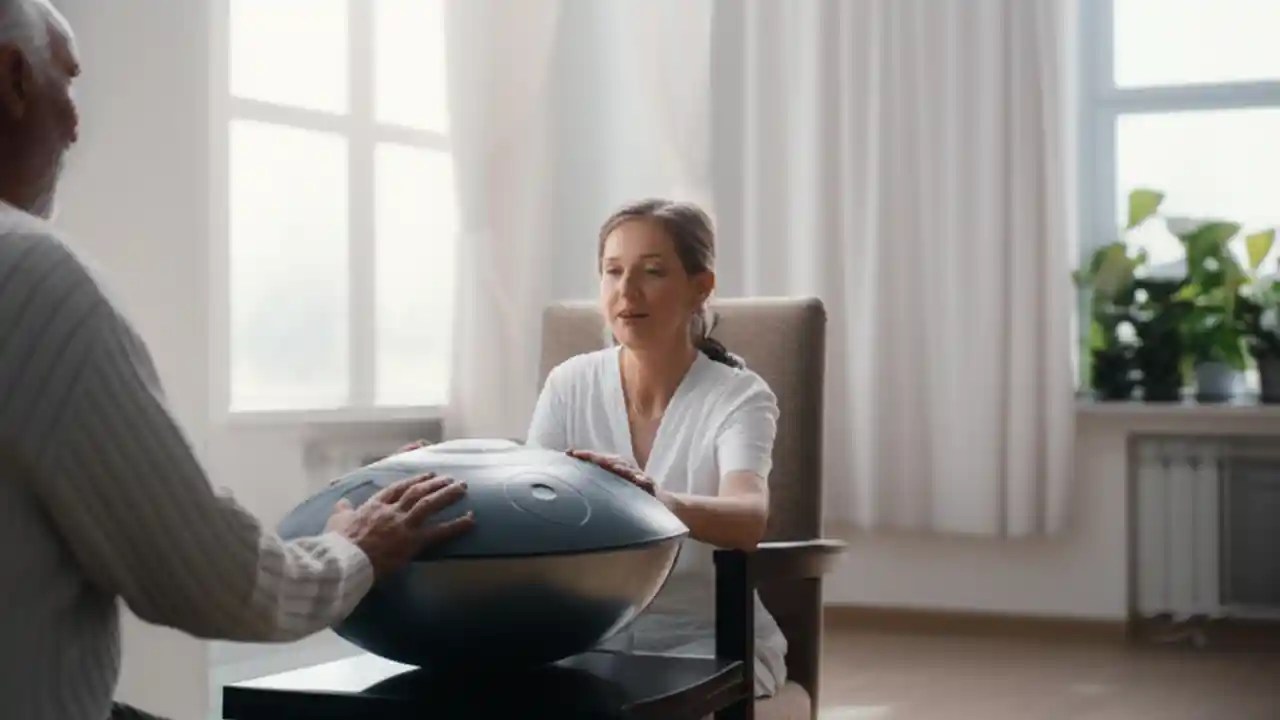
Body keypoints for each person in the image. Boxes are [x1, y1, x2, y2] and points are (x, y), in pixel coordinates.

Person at [0, 2, 475, 718]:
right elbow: (216, 581)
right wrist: (356, 549)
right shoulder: (31, 277)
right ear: (12, 79)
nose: (75, 126)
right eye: (67, 84)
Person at [526, 198, 788, 697]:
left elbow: (748, 517)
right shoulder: (569, 383)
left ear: (700, 287)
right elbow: (533, 504)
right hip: (582, 635)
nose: (627, 292)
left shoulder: (739, 395)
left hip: (707, 639)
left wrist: (655, 501)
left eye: (652, 271)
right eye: (612, 271)